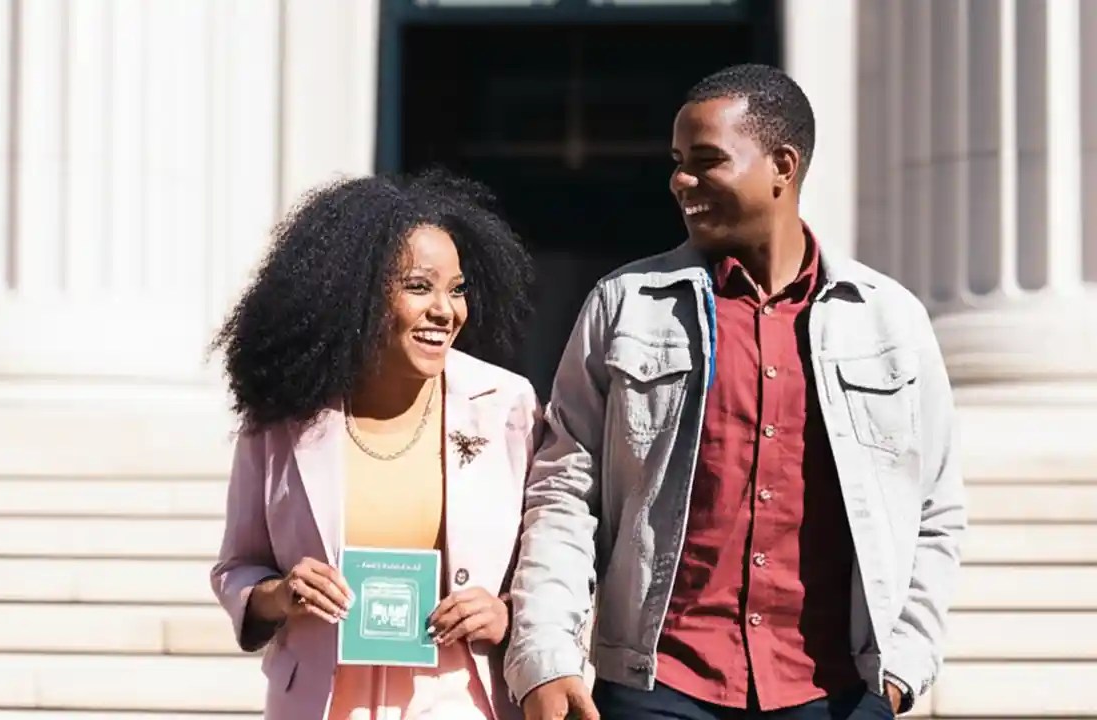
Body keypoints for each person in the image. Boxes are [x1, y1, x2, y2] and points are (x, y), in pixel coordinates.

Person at [505, 63, 967, 720]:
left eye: (706, 161)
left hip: (833, 694)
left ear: (783, 165)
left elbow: (936, 509)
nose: (679, 181)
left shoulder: (889, 318)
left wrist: (900, 673)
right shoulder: (626, 305)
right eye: (677, 162)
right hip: (660, 689)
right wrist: (545, 655)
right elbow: (565, 492)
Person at [210, 169, 539, 720]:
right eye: (419, 286)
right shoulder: (283, 416)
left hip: (458, 697)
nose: (446, 311)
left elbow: (555, 558)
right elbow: (238, 568)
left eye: (456, 289)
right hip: (322, 699)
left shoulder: (505, 404)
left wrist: (507, 616)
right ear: (354, 295)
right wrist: (282, 593)